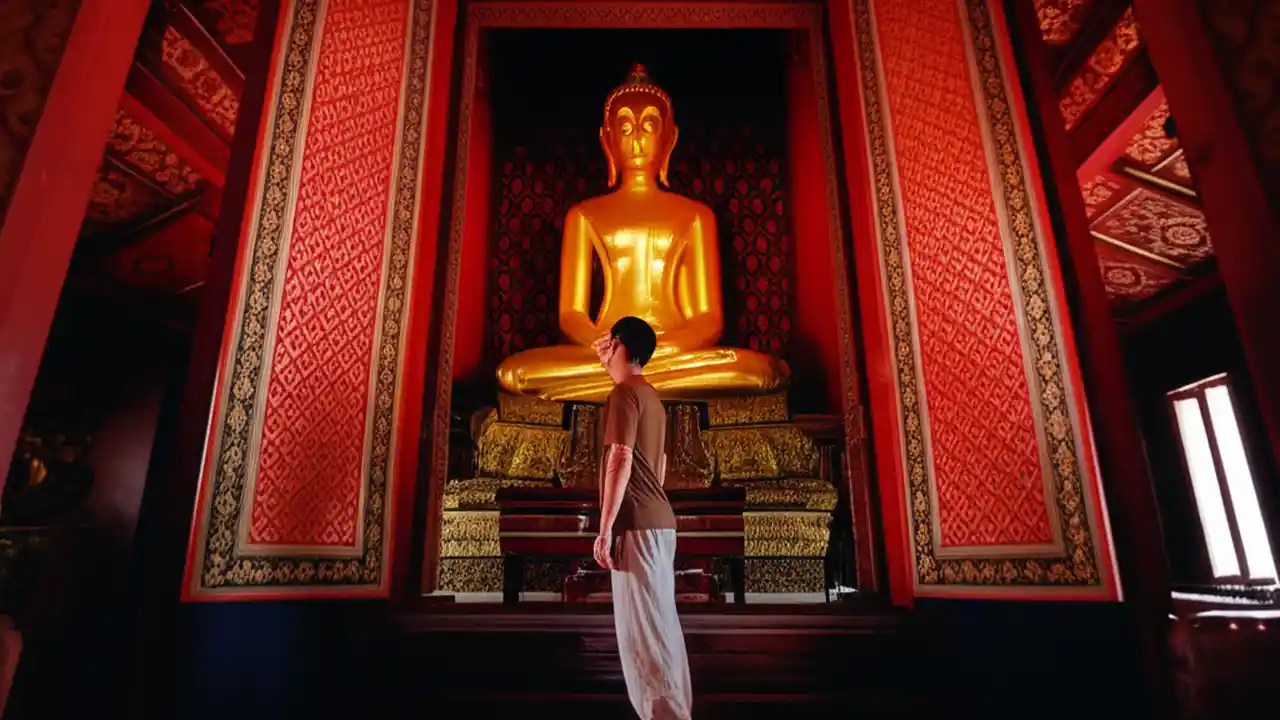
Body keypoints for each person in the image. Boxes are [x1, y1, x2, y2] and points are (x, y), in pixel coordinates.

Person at [591, 316, 692, 720]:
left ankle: (666, 716)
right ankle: (674, 711)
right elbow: (661, 466)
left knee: (644, 633)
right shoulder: (649, 395)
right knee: (660, 623)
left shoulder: (623, 393)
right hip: (659, 521)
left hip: (637, 524)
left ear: (617, 344)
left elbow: (620, 458)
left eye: (609, 345)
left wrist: (603, 529)